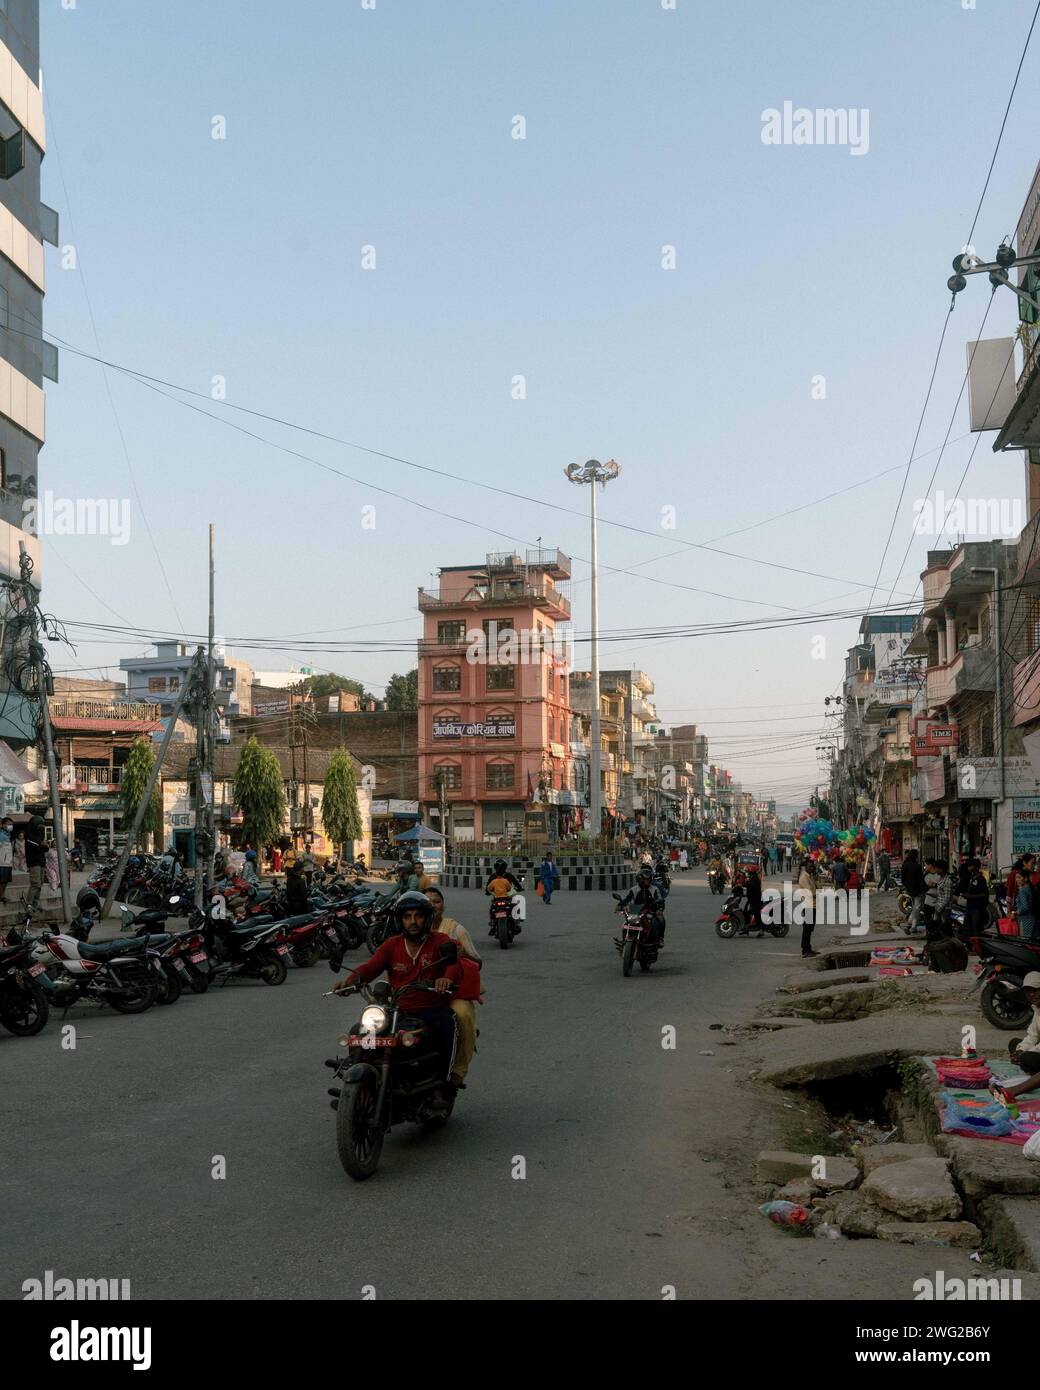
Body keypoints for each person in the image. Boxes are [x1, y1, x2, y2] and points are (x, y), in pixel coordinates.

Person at [333, 890, 462, 1114]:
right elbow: (370, 967)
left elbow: (454, 966)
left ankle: (441, 1088)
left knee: (446, 1028)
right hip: (397, 1010)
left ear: (427, 918)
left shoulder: (440, 942)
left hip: (430, 1008)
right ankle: (356, 1089)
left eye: (418, 916)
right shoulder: (392, 945)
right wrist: (349, 982)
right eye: (407, 916)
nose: (412, 921)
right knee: (360, 1032)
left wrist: (446, 979)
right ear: (399, 920)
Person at [426, 886, 481, 1089]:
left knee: (463, 1015)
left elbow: (477, 961)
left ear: (443, 905)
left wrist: (459, 957)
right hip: (419, 991)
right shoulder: (410, 931)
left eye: (436, 901)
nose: (432, 905)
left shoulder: (455, 930)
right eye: (427, 902)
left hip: (452, 992)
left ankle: (458, 1070)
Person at [618, 865, 666, 945]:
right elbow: (627, 899)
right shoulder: (634, 889)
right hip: (636, 910)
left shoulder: (654, 889)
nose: (648, 881)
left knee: (660, 920)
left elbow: (660, 900)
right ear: (640, 879)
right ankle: (624, 940)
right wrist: (620, 905)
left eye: (649, 879)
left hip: (651, 910)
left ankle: (660, 938)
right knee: (626, 924)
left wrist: (660, 909)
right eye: (646, 879)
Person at [962, 857, 989, 942]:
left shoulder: (981, 879)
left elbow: (984, 894)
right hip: (969, 907)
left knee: (976, 928)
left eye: (970, 866)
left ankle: (977, 945)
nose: (969, 868)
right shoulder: (971, 878)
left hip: (977, 908)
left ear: (976, 867)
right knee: (967, 927)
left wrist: (970, 896)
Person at [901, 848, 926, 933]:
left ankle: (911, 926)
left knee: (915, 909)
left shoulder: (904, 865)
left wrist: (908, 887)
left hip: (909, 890)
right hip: (918, 891)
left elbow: (903, 880)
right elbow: (920, 880)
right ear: (916, 856)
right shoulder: (917, 866)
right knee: (916, 909)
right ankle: (911, 926)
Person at [24, 815, 46, 910]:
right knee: (35, 884)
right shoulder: (29, 837)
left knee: (40, 884)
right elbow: (38, 847)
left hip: (41, 862)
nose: (41, 827)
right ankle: (29, 903)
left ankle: (36, 902)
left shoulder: (40, 836)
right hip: (34, 863)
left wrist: (44, 846)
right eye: (39, 825)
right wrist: (43, 846)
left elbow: (45, 848)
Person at [798, 857, 818, 958]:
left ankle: (808, 948)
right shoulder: (804, 877)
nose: (812, 868)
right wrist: (816, 894)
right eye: (810, 866)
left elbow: (817, 887)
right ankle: (805, 950)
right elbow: (809, 892)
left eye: (812, 866)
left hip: (812, 905)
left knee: (810, 928)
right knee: (807, 929)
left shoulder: (810, 876)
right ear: (806, 867)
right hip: (808, 905)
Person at [1018, 866, 1039, 943]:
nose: (1017, 880)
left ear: (1026, 878)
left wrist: (1017, 912)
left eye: (1019, 877)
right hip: (1034, 919)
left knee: (1027, 943)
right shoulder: (1030, 888)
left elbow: (1025, 907)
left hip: (1026, 921)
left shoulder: (1022, 890)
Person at [744, 863, 764, 937]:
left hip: (755, 900)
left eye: (748, 872)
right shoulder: (752, 878)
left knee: (756, 914)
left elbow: (751, 886)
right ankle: (746, 929)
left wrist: (746, 884)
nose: (747, 873)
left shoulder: (755, 879)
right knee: (746, 912)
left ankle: (761, 930)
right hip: (751, 899)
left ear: (751, 872)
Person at [0, 815, 13, 903]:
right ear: (3, 825)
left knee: (5, 881)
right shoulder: (1, 835)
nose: (10, 826)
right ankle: (1, 897)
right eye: (9, 824)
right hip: (2, 863)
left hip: (8, 863)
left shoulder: (8, 835)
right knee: (1, 881)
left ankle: (2, 896)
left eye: (11, 824)